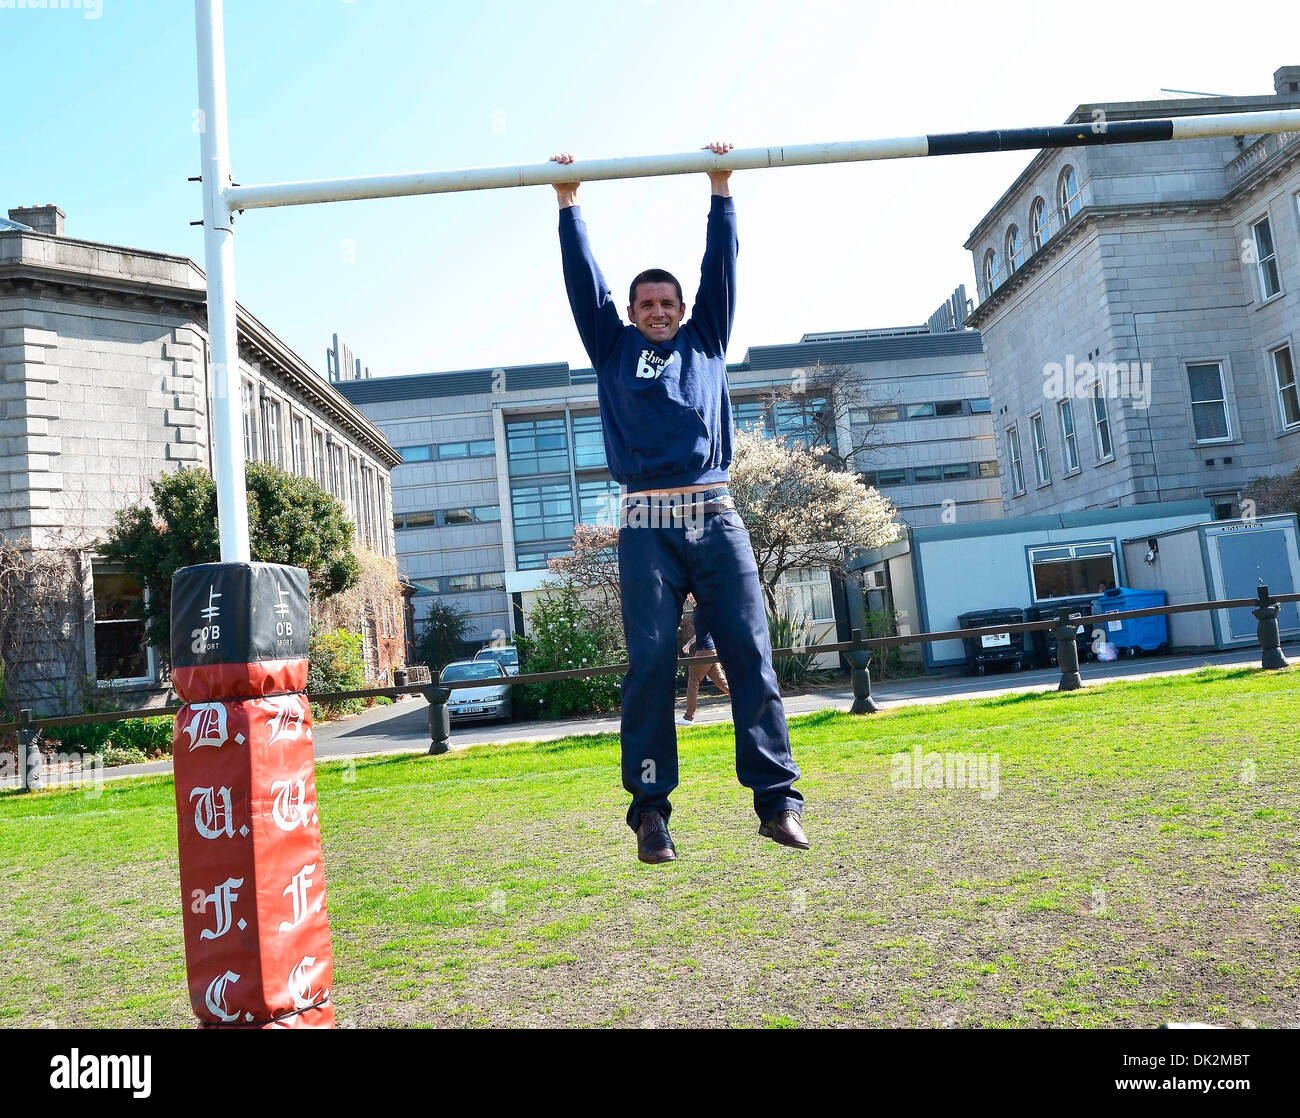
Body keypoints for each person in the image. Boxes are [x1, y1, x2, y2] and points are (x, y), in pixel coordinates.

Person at [551, 143, 808, 865]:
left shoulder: (708, 338)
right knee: (651, 660)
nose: (658, 311)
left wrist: (721, 187)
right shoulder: (611, 347)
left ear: (683, 310)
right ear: (631, 314)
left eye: (668, 303)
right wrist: (569, 205)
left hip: (714, 516)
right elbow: (585, 285)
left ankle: (777, 802)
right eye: (647, 304)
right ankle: (651, 815)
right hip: (645, 523)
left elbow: (720, 264)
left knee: (750, 653)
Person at [677, 595, 730, 727]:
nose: (690, 597)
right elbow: (700, 634)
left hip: (706, 650)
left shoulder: (703, 609)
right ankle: (747, 702)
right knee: (723, 684)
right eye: (688, 595)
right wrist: (688, 644)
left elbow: (716, 626)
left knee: (693, 679)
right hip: (709, 650)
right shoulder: (697, 611)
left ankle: (688, 717)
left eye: (693, 595)